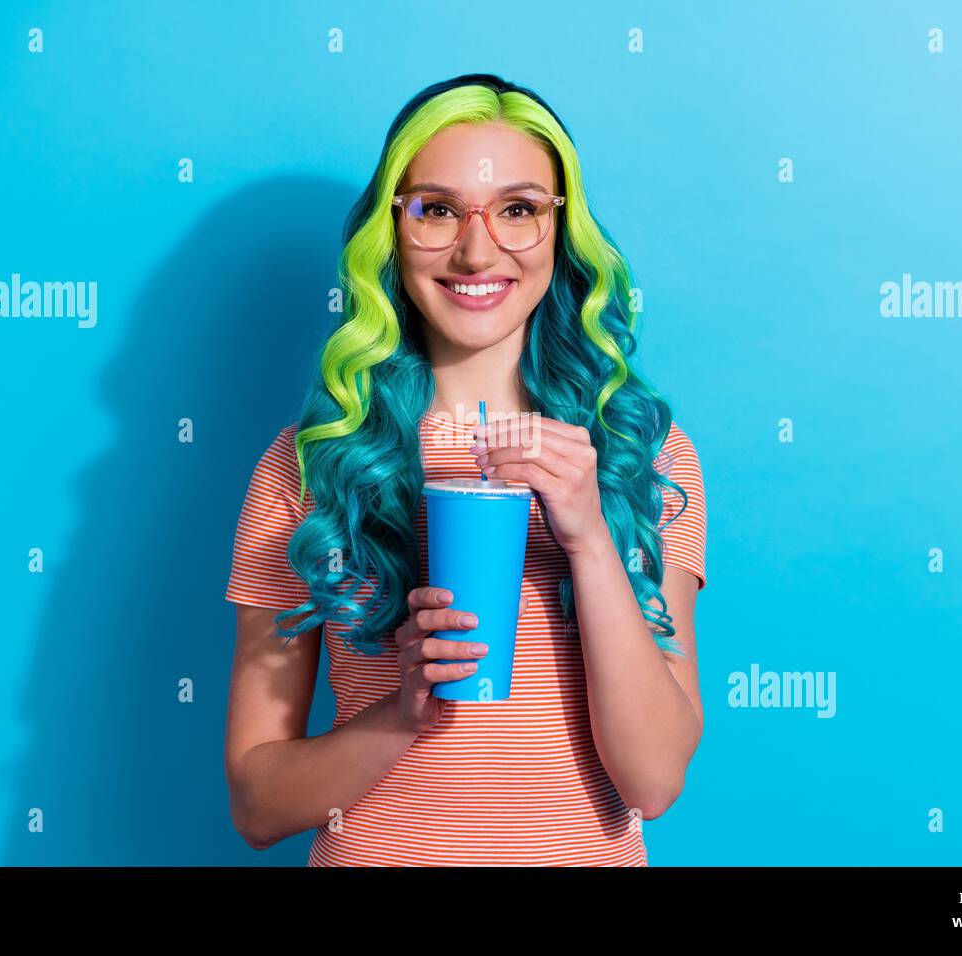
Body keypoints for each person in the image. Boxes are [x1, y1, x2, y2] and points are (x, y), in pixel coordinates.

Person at [223, 73, 707, 866]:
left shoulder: (635, 456)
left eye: (517, 209)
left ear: (561, 230)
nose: (476, 250)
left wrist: (588, 539)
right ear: (392, 228)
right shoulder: (312, 467)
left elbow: (652, 781)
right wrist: (401, 710)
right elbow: (257, 804)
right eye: (437, 209)